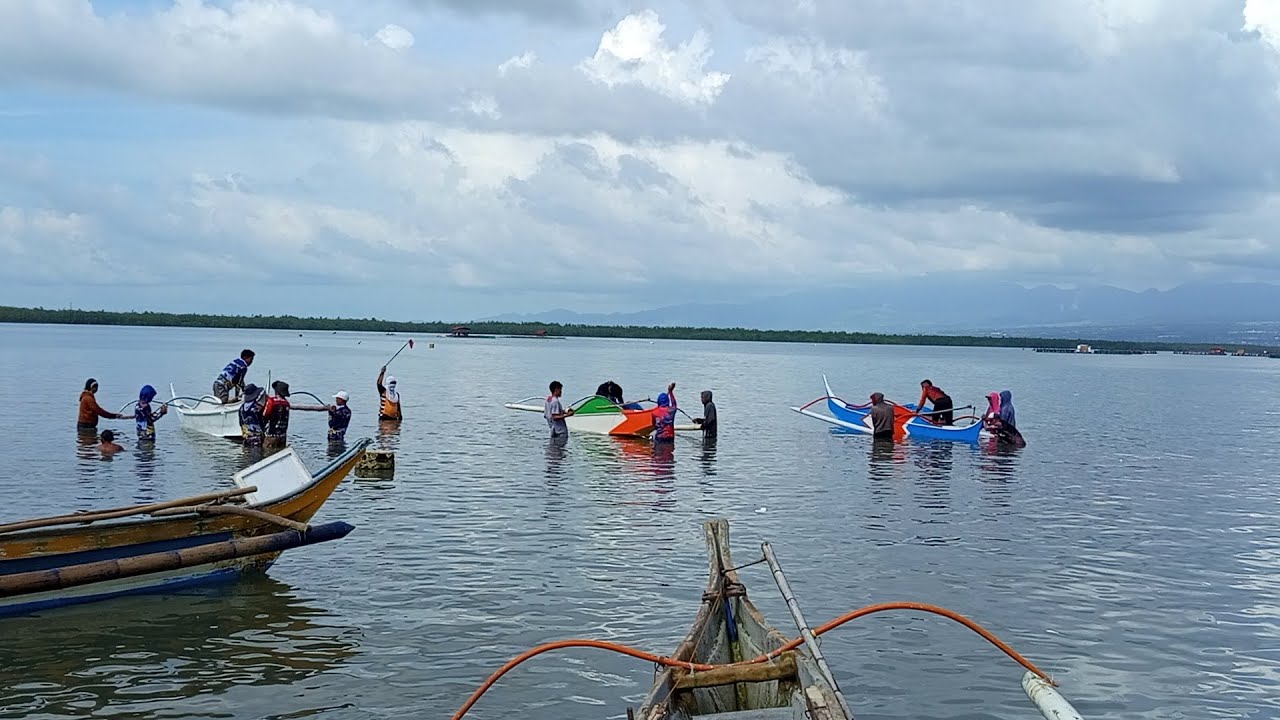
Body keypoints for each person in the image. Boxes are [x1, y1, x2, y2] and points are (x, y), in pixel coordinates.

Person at [263, 381, 327, 448]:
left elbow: (265, 414)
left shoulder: (271, 401)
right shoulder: (286, 403)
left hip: (272, 435)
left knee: (268, 452)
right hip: (283, 435)